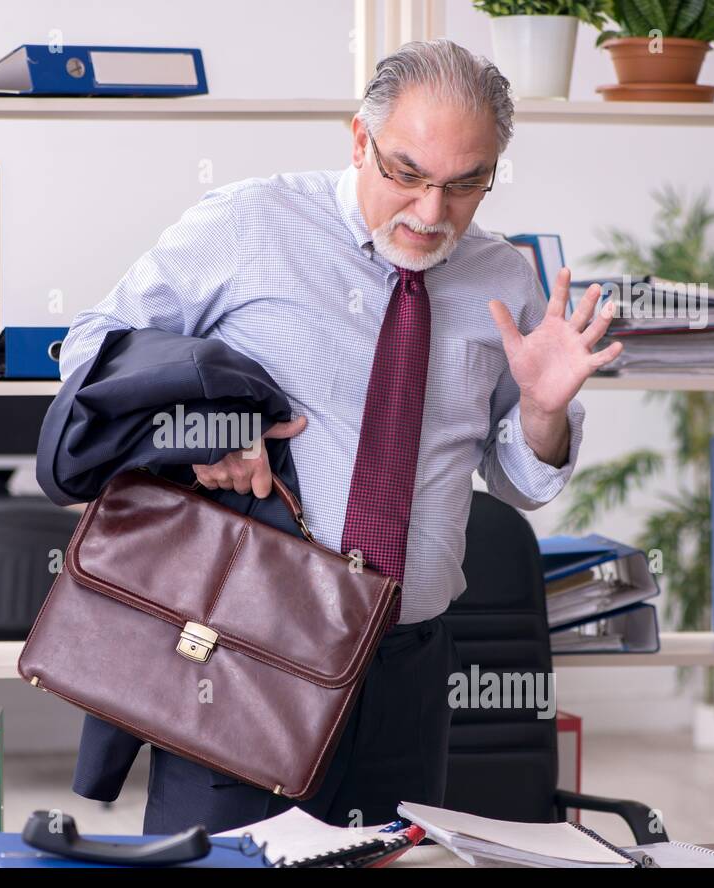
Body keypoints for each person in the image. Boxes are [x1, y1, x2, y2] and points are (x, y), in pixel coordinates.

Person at [57, 38, 619, 834]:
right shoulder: (251, 225)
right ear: (359, 139)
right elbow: (94, 351)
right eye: (408, 175)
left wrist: (542, 413)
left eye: (465, 185)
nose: (432, 212)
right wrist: (212, 432)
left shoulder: (502, 280)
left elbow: (521, 482)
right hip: (245, 656)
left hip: (409, 668)